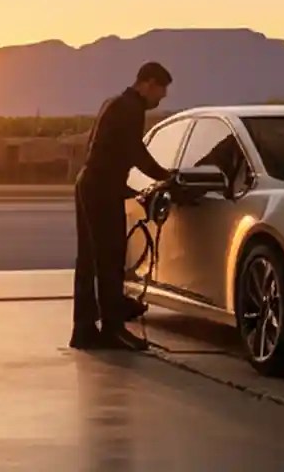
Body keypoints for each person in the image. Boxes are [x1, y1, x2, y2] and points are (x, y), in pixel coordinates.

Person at [70, 62, 175, 352]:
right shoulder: (130, 108)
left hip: (89, 184)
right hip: (102, 190)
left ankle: (84, 329)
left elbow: (107, 151)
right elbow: (134, 152)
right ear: (149, 84)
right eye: (161, 91)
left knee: (88, 261)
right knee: (110, 260)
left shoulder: (113, 103)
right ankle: (113, 330)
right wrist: (166, 177)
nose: (161, 98)